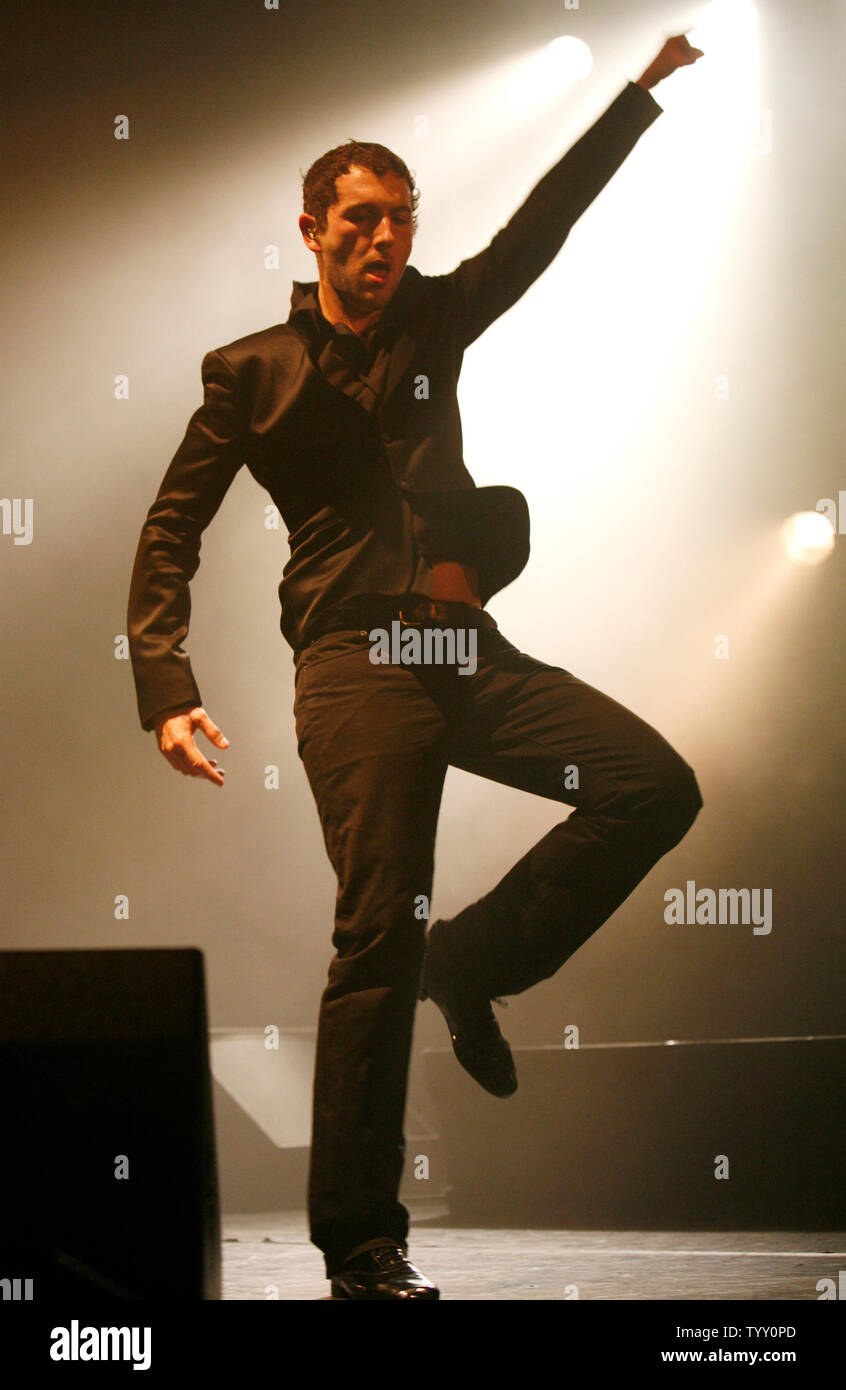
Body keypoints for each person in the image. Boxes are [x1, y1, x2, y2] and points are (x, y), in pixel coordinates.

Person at [127, 34, 705, 1299]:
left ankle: (479, 961)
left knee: (652, 786)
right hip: (355, 664)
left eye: (401, 221)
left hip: (459, 650)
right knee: (377, 930)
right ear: (313, 229)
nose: (385, 242)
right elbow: (172, 524)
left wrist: (636, 99)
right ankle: (361, 1239)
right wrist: (166, 683)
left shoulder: (439, 315)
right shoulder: (254, 373)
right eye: (362, 222)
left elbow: (537, 232)